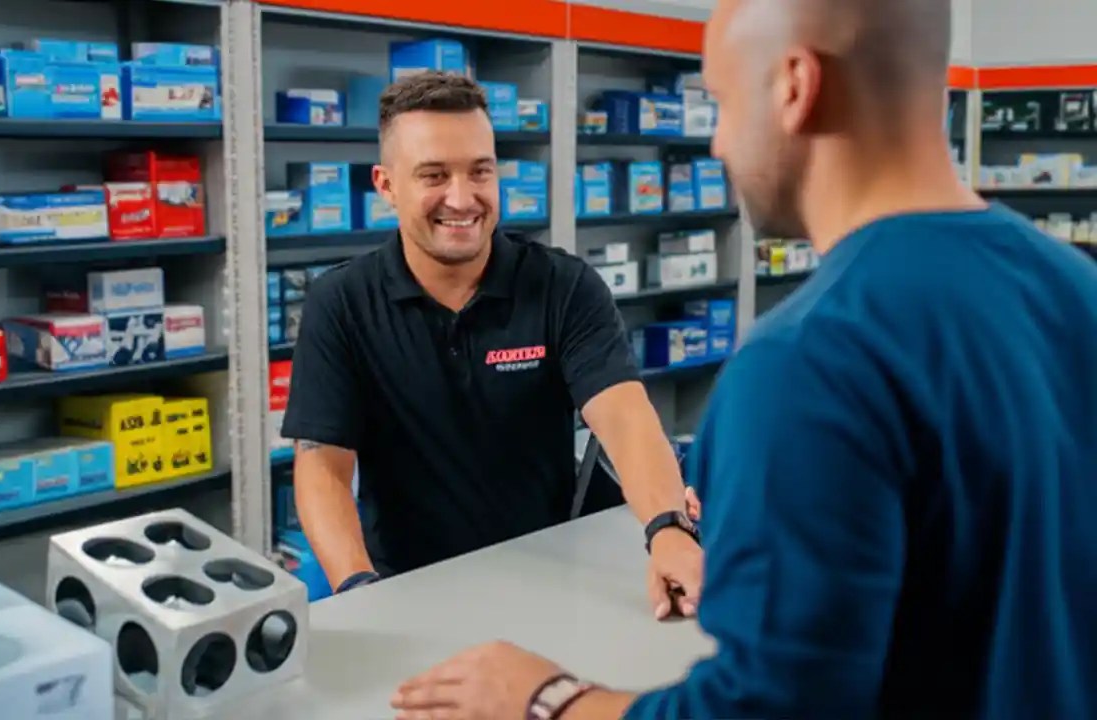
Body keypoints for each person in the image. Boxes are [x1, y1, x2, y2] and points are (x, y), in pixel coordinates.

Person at [389, 1, 1097, 719]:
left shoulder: (807, 364)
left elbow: (767, 710)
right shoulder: (1076, 289)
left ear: (794, 85)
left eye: (724, 102)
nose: (721, 144)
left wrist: (548, 699)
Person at [280, 71, 704, 616]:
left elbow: (625, 417)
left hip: (555, 572)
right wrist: (361, 592)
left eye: (479, 171)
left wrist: (668, 528)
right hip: (408, 588)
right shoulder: (340, 303)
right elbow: (322, 468)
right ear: (385, 185)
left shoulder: (562, 286)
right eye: (434, 174)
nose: (462, 198)